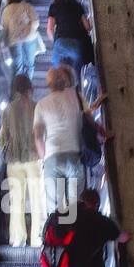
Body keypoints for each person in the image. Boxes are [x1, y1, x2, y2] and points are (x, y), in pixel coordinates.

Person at [0, 74, 45, 248]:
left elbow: (2, 139)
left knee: (16, 201)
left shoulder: (7, 110)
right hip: (33, 160)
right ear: (29, 89)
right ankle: (37, 239)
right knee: (37, 200)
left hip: (13, 161)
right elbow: (41, 134)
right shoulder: (36, 107)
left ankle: (17, 239)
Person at [33, 65, 86, 217]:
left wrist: (44, 159)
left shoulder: (41, 105)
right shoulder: (75, 96)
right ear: (63, 80)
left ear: (48, 85)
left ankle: (56, 237)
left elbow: (38, 137)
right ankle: (75, 236)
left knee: (55, 206)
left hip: (52, 157)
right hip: (74, 156)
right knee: (75, 206)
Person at [47, 0, 93, 75]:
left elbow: (49, 30)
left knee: (57, 75)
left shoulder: (54, 6)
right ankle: (76, 87)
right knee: (76, 75)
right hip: (76, 43)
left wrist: (55, 41)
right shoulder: (77, 6)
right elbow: (87, 27)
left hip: (60, 42)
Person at [1, 0, 43, 80]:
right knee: (30, 65)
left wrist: (5, 44)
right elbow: (36, 22)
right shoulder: (27, 6)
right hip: (29, 39)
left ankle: (19, 91)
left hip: (14, 41)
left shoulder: (6, 10)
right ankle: (28, 88)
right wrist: (28, 30)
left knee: (17, 68)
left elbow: (5, 28)